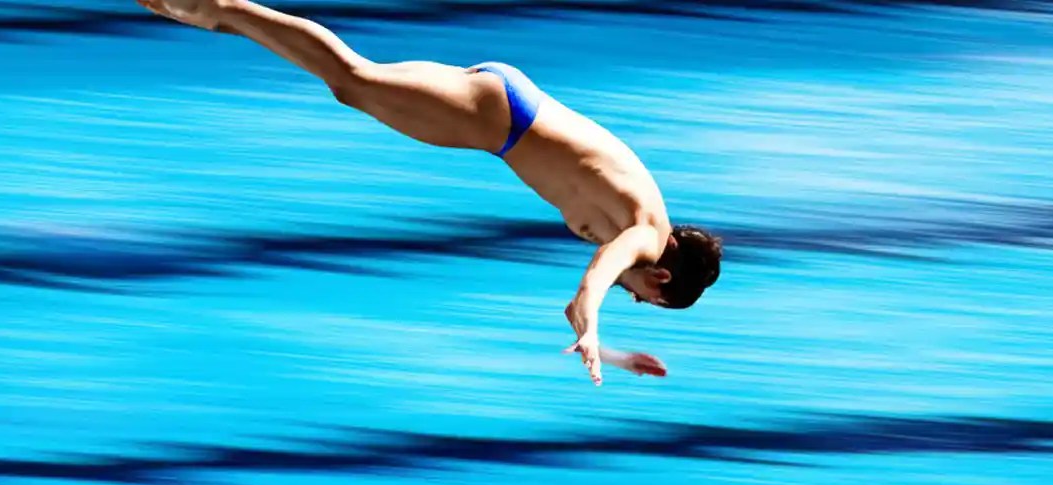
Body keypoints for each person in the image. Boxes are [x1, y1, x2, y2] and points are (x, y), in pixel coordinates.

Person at [138, 0, 722, 385]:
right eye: (644, 298)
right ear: (663, 275)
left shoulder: (644, 216)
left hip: (508, 104)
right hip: (501, 121)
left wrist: (614, 354)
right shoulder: (646, 235)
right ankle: (221, 10)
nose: (635, 293)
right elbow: (597, 275)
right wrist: (595, 328)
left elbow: (580, 299)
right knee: (353, 78)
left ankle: (221, 14)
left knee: (352, 87)